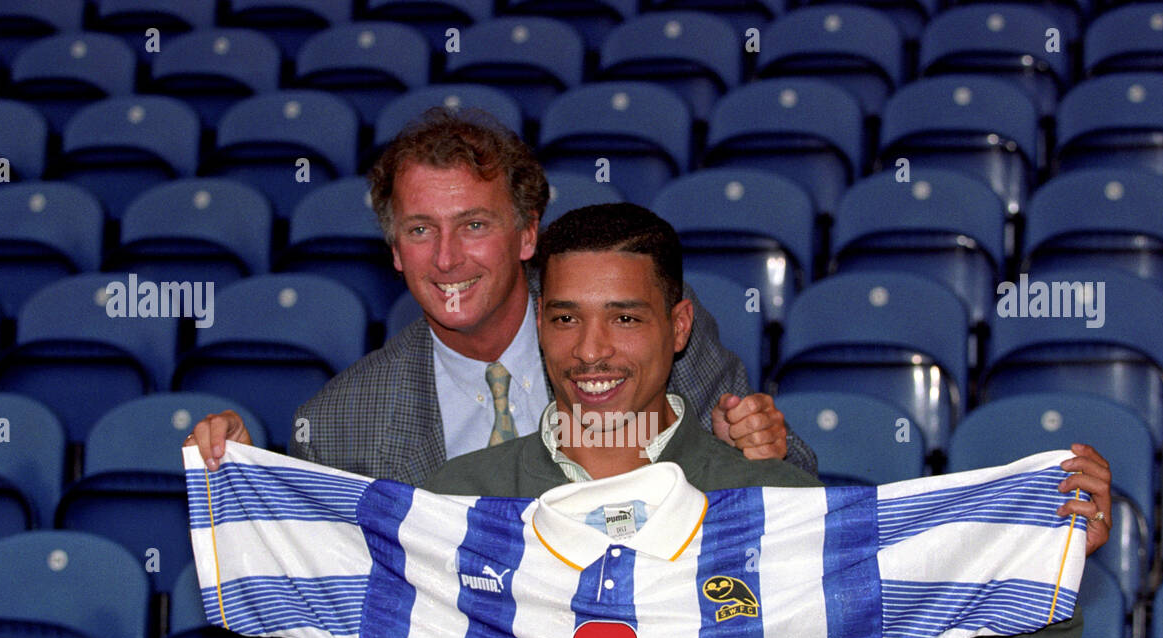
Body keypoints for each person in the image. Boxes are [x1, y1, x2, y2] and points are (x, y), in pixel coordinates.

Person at [263, 203, 1114, 638]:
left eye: (624, 319)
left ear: (677, 329)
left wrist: (1053, 565)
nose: (591, 351)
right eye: (563, 319)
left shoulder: (770, 503)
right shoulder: (460, 504)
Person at [185, 107, 817, 482]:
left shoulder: (639, 336)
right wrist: (246, 481)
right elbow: (330, 607)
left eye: (475, 225)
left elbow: (788, 486)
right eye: (420, 230)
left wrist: (765, 446)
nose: (447, 257)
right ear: (396, 251)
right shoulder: (337, 425)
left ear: (527, 233)